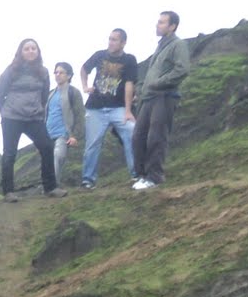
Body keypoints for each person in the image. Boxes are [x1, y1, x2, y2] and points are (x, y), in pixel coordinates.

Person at [0, 38, 64, 201]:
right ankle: (8, 192)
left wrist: (38, 109)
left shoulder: (44, 72)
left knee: (47, 147)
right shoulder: (11, 70)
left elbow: (44, 95)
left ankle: (51, 187)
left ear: (38, 52)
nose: (30, 51)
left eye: (33, 48)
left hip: (34, 117)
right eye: (27, 48)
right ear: (20, 52)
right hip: (12, 118)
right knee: (10, 153)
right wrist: (5, 112)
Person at [132, 11, 192, 190]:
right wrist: (143, 89)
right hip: (148, 98)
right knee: (138, 137)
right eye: (158, 22)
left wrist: (158, 83)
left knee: (156, 137)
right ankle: (142, 176)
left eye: (162, 22)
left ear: (172, 26)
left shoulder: (178, 44)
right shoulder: (160, 46)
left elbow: (182, 69)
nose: (157, 25)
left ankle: (154, 177)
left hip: (165, 96)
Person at [79, 28, 139, 187]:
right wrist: (85, 86)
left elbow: (129, 84)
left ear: (123, 42)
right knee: (92, 143)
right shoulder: (99, 55)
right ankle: (88, 180)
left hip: (118, 107)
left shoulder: (129, 60)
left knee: (132, 133)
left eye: (115, 40)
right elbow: (84, 69)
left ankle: (136, 174)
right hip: (95, 107)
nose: (111, 42)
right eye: (110, 39)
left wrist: (128, 110)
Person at [46, 61, 85, 187]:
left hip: (63, 133)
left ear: (69, 76)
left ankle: (53, 187)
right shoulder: (50, 94)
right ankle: (49, 187)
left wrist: (75, 135)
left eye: (61, 72)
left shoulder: (73, 92)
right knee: (48, 161)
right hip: (48, 133)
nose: (58, 75)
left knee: (58, 157)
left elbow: (80, 115)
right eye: (56, 72)